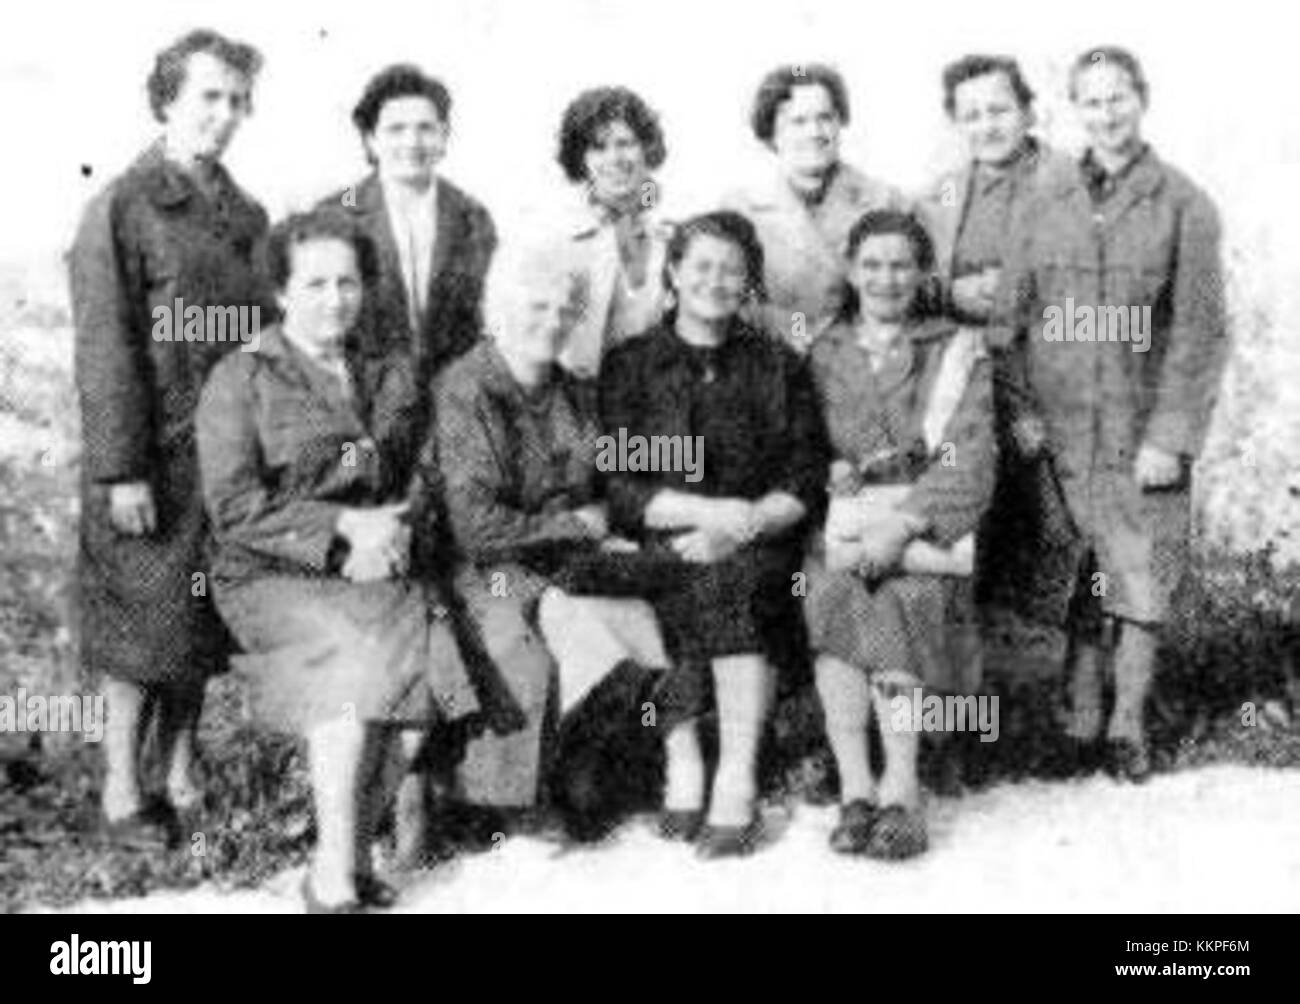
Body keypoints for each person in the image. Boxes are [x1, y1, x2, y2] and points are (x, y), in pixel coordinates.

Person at [196, 209, 479, 912]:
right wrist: (343, 527)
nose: (334, 300)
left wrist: (394, 531)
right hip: (271, 575)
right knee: (353, 687)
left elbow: (422, 475)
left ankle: (351, 855)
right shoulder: (241, 378)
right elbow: (235, 509)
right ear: (282, 292)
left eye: (347, 283)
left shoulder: (390, 376)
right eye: (315, 283)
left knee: (419, 705)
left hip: (377, 566)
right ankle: (330, 878)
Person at [992, 46, 1227, 780]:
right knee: (1076, 568)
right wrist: (1021, 413)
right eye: (1091, 102)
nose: (1106, 113)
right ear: (1074, 111)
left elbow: (1199, 332)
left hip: (1137, 430)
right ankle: (1079, 714)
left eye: (1118, 97)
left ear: (1142, 99)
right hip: (1059, 430)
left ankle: (1127, 723)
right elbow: (1009, 322)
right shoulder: (1042, 200)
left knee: (1140, 573)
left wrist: (1171, 437)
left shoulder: (1185, 204)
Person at [68, 28, 271, 845]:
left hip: (221, 460)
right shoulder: (121, 206)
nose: (222, 115)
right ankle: (122, 788)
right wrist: (122, 471)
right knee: (139, 627)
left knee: (198, 620)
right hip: (151, 460)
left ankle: (181, 768)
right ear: (167, 102)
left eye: (235, 100)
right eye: (207, 98)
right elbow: (106, 346)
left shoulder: (247, 214)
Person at [600, 211, 829, 857]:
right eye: (700, 265)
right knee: (652, 577)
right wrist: (705, 516)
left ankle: (735, 774)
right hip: (665, 533)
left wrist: (745, 522)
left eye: (732, 270)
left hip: (757, 543)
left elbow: (805, 477)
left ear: (749, 281)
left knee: (735, 578)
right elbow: (619, 487)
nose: (715, 281)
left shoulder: (777, 364)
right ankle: (682, 760)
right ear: (672, 272)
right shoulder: (631, 365)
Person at [431, 246, 673, 840]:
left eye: (567, 308)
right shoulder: (468, 389)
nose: (554, 320)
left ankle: (594, 771)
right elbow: (477, 527)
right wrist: (579, 525)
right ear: (501, 310)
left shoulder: (573, 389)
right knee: (546, 633)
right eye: (537, 306)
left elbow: (611, 480)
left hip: (567, 557)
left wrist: (612, 523)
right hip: (489, 566)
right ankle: (509, 801)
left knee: (643, 620)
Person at [804, 210, 996, 859]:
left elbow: (969, 455)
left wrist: (907, 520)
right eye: (872, 265)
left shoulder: (953, 348)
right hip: (849, 526)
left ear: (921, 274)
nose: (886, 278)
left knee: (899, 599)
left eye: (900, 265)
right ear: (852, 272)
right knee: (834, 592)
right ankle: (855, 788)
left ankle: (902, 786)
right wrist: (827, 470)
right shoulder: (823, 351)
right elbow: (798, 446)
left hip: (926, 529)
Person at [916, 54, 1081, 782]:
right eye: (971, 112)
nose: (987, 124)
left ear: (1028, 109)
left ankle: (1054, 726)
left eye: (1000, 108)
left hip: (1053, 395)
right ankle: (960, 731)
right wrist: (952, 290)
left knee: (1054, 546)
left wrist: (999, 295)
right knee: (965, 555)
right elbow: (911, 280)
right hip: (973, 400)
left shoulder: (1069, 183)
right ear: (956, 121)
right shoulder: (941, 194)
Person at [321, 64, 497, 424]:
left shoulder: (472, 217)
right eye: (396, 129)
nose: (412, 143)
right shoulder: (335, 215)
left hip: (453, 410)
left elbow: (484, 324)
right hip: (359, 409)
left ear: (444, 136)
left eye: (425, 129)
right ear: (371, 139)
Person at [723, 63, 907, 350]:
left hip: (864, 361)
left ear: (839, 123)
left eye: (825, 118)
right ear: (772, 133)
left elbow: (910, 292)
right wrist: (786, 325)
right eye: (798, 122)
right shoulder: (740, 209)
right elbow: (730, 296)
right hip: (775, 358)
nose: (815, 132)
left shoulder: (886, 201)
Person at [529, 85, 674, 379]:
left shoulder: (668, 237)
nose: (615, 158)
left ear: (646, 148)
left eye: (626, 143)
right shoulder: (554, 237)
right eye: (599, 147)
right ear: (581, 159)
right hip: (572, 408)